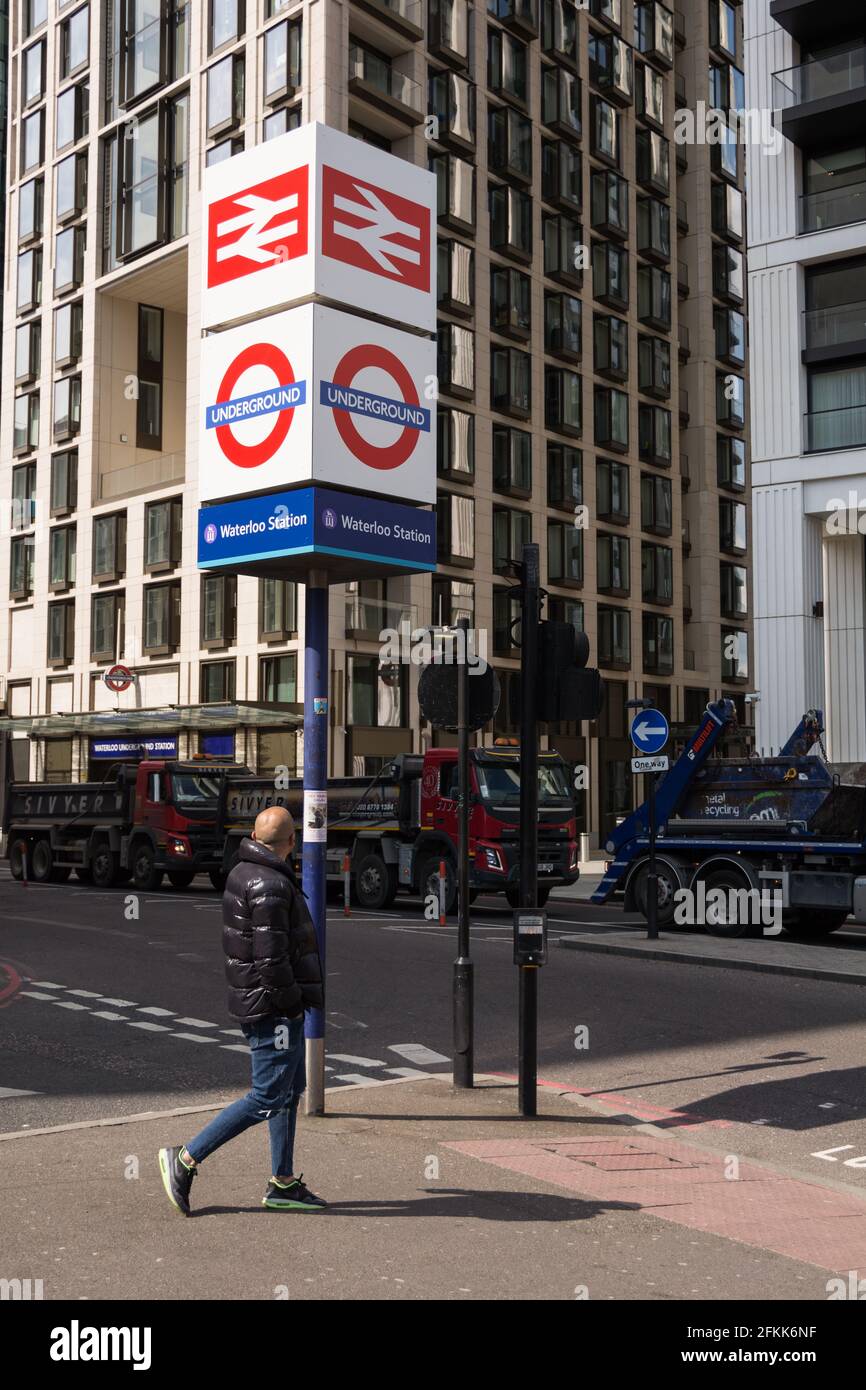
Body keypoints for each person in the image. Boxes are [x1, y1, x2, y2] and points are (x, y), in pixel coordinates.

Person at [158, 805, 325, 1214]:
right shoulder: (271, 884)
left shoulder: (242, 871)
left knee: (288, 1092)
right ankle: (185, 1158)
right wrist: (290, 1006)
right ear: (291, 842)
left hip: (261, 1001)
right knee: (267, 1096)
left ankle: (282, 1183)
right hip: (272, 1009)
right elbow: (271, 961)